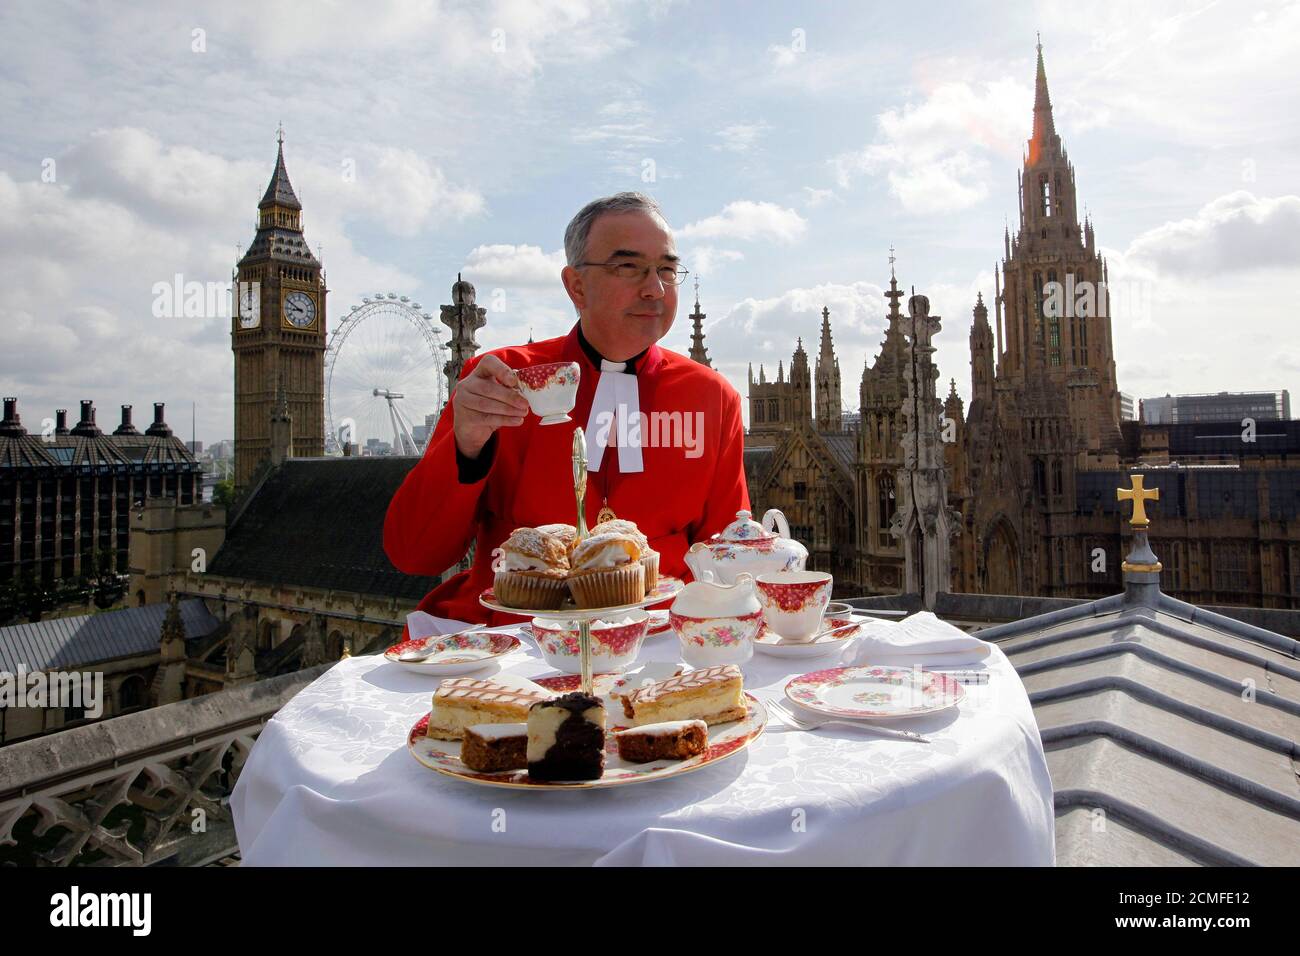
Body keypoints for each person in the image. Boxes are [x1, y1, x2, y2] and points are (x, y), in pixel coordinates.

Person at [383, 192, 750, 627]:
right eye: (628, 266)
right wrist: (465, 446)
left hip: (662, 645)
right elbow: (415, 553)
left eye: (667, 269)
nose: (654, 288)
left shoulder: (713, 397)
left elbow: (731, 559)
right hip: (520, 644)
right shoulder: (503, 379)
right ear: (576, 285)